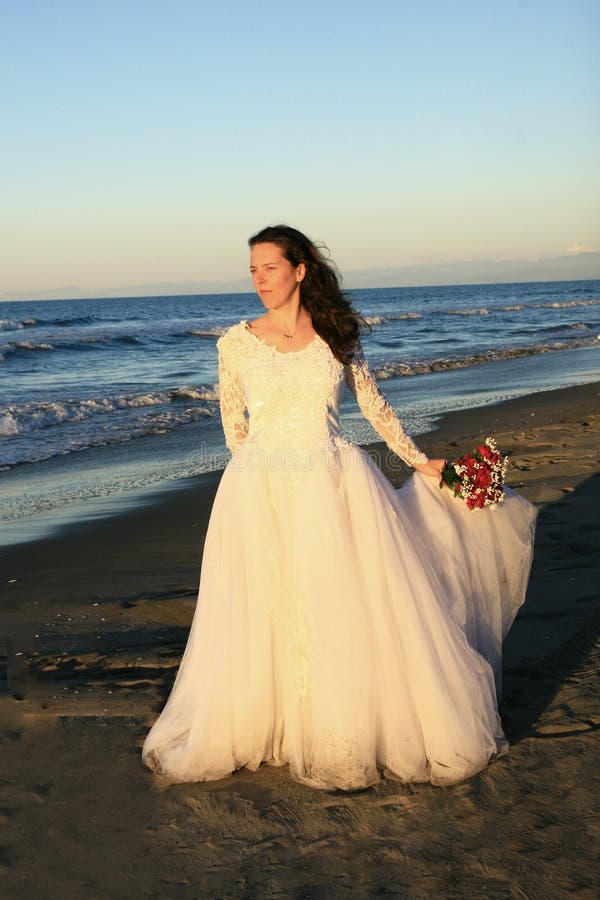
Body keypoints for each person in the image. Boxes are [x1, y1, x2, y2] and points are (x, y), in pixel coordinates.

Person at [142, 225, 536, 790]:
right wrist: (253, 482)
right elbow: (233, 425)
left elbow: (374, 406)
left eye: (269, 268)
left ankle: (332, 723)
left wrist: (420, 460)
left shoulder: (336, 335)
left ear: (299, 270)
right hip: (261, 486)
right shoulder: (234, 342)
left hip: (332, 481)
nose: (259, 280)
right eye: (252, 270)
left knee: (335, 602)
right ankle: (271, 721)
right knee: (264, 605)